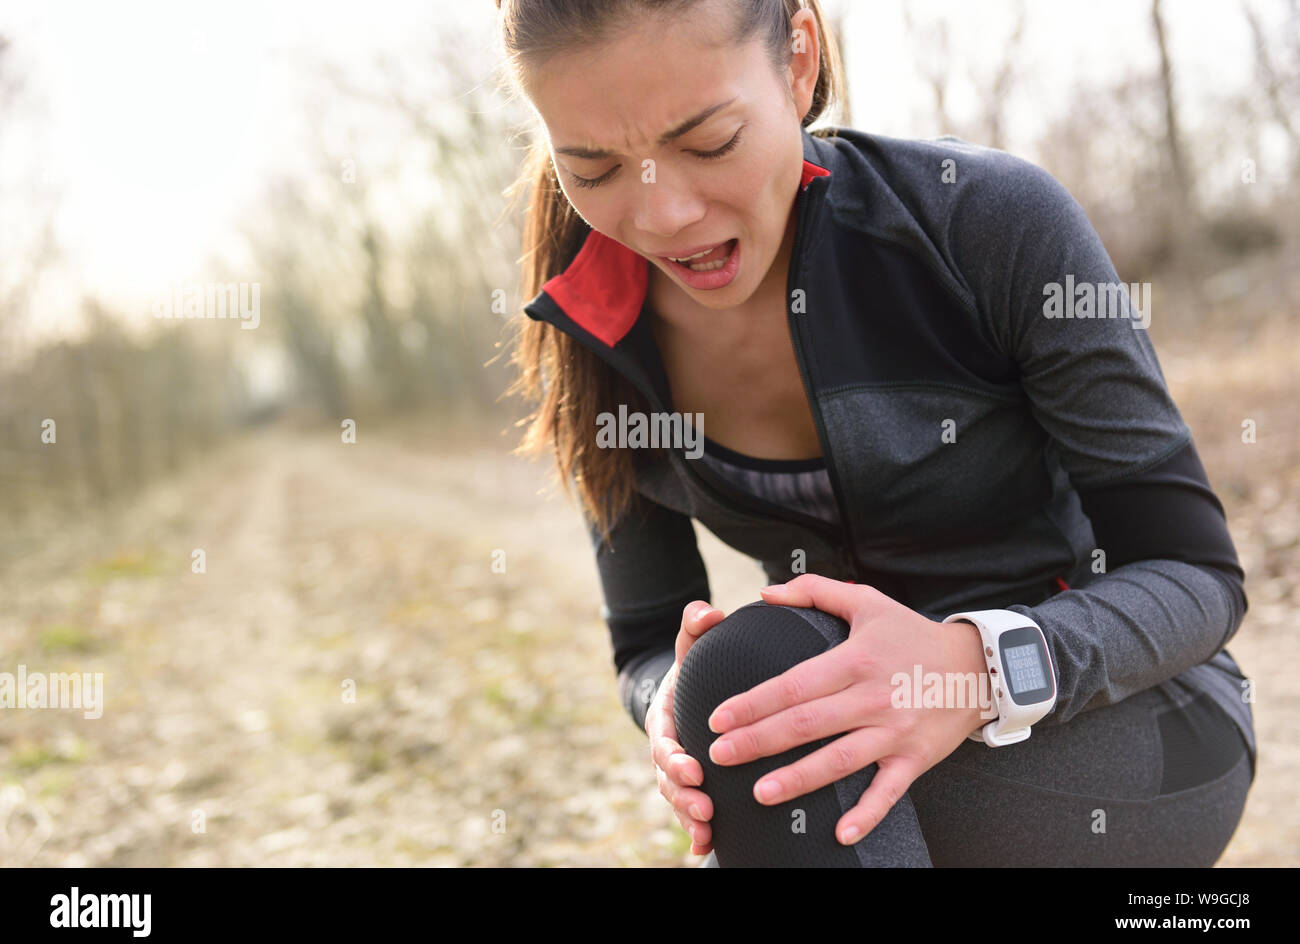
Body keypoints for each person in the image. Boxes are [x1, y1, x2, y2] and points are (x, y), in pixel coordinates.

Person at [495, 0, 1256, 866]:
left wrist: (971, 670)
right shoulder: (591, 321)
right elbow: (645, 638)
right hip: (836, 757)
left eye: (708, 143)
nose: (663, 213)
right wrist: (673, 704)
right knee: (753, 704)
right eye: (591, 170)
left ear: (799, 60)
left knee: (775, 729)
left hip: (1124, 710)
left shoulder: (987, 224)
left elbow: (1199, 578)